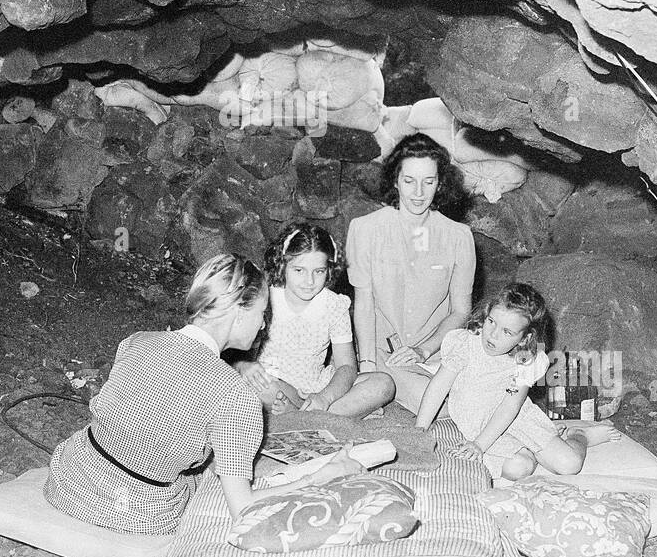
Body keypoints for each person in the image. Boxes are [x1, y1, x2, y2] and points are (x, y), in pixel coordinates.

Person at [44, 253, 360, 533]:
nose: (263, 326)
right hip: (134, 512)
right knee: (209, 484)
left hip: (67, 480)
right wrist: (319, 477)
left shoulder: (137, 340)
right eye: (262, 313)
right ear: (239, 311)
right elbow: (243, 508)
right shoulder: (235, 394)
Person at [415, 283, 620, 480]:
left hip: (516, 418)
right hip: (478, 423)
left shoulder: (526, 360)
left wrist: (479, 445)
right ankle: (533, 450)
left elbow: (511, 406)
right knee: (519, 469)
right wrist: (420, 431)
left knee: (570, 464)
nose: (493, 335)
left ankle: (579, 435)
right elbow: (437, 387)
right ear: (486, 314)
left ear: (524, 338)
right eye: (491, 321)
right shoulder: (465, 344)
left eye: (507, 332)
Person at [346, 132, 475, 412]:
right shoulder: (364, 229)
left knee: (482, 397)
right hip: (384, 355)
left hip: (436, 352)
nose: (418, 193)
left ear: (440, 183)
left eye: (428, 182)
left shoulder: (460, 237)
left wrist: (425, 349)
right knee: (439, 405)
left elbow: (460, 311)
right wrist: (367, 366)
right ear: (395, 180)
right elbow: (364, 303)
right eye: (409, 181)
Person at [235, 223, 395, 418]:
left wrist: (324, 398)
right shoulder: (267, 299)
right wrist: (244, 366)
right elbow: (234, 354)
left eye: (318, 271)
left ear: (329, 269)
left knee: (383, 384)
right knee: (256, 385)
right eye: (299, 271)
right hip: (276, 385)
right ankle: (322, 417)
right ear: (283, 265)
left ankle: (302, 415)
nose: (309, 281)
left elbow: (347, 366)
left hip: (318, 386)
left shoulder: (334, 305)